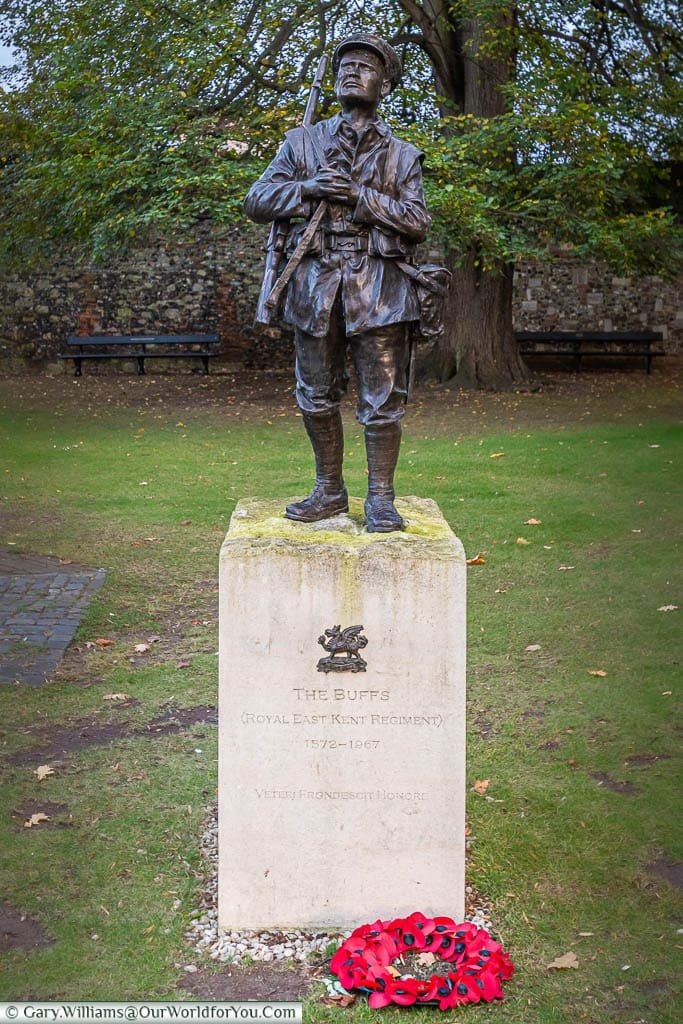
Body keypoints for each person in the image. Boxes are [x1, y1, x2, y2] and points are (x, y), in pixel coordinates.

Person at [244, 32, 431, 532]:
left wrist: (358, 195)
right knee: (315, 392)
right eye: (345, 65)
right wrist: (305, 189)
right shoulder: (301, 143)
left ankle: (381, 499)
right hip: (314, 284)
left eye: (366, 67)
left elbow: (416, 220)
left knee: (382, 400)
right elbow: (256, 200)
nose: (352, 71)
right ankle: (328, 490)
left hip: (380, 287)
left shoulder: (403, 155)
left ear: (385, 85)